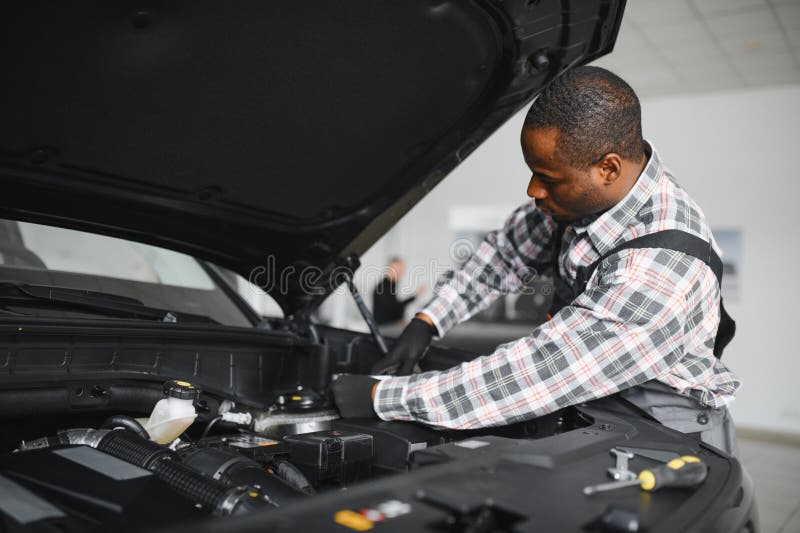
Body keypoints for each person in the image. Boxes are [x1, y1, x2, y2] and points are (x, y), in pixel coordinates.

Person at [332, 66, 740, 455]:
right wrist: (427, 322)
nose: (533, 190)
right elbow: (501, 257)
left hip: (667, 431)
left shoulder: (662, 266)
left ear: (608, 168)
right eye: (532, 172)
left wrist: (380, 396)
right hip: (595, 407)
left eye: (549, 178)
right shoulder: (577, 204)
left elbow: (539, 372)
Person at [372, 257, 420, 326]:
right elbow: (392, 309)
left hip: (391, 325)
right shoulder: (383, 287)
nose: (401, 271)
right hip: (385, 327)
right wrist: (413, 297)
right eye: (398, 268)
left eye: (402, 268)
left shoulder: (391, 284)